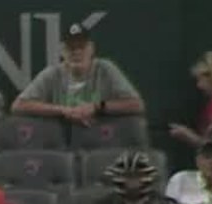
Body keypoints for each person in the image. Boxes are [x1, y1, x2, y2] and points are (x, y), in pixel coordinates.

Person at [12, 20, 147, 146]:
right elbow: (19, 106)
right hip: (63, 144)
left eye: (81, 47)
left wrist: (96, 107)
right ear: (62, 51)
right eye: (71, 48)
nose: (76, 52)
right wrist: (64, 110)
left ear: (91, 49)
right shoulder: (52, 73)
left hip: (101, 141)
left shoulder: (105, 69)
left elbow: (136, 105)